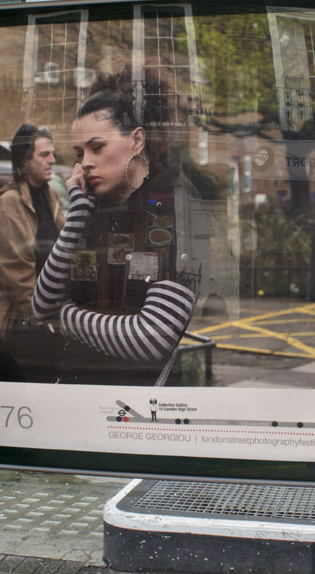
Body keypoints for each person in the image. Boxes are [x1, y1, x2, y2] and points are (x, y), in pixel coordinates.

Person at [31, 75, 197, 385]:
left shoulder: (171, 203)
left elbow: (152, 337)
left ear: (136, 141)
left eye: (97, 147)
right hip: (79, 391)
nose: (84, 164)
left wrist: (65, 317)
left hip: (137, 404)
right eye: (80, 153)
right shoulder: (94, 207)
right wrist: (77, 213)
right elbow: (42, 304)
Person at [0, 124, 65, 377]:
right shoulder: (10, 204)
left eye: (53, 153)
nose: (53, 160)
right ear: (24, 162)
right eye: (44, 155)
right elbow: (16, 273)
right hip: (19, 327)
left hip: (45, 319)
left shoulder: (51, 198)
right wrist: (47, 319)